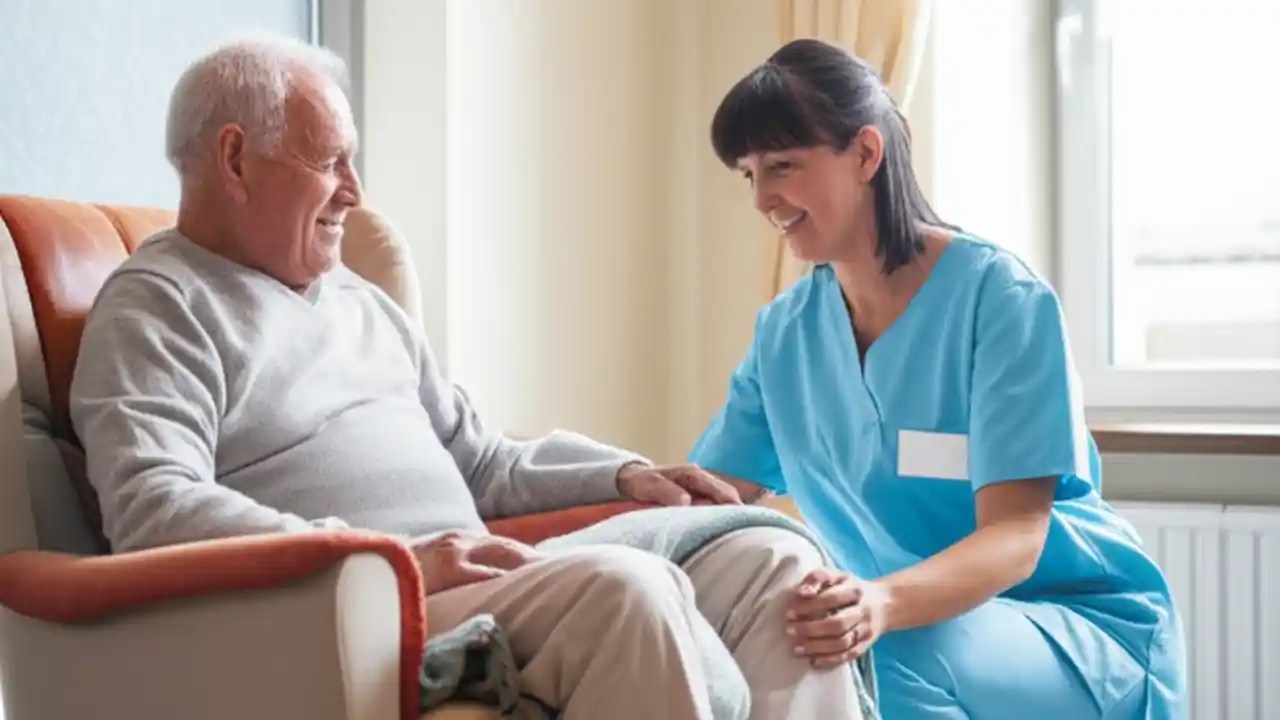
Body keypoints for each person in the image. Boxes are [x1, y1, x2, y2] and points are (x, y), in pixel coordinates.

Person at [69, 35, 864, 720]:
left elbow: (481, 459)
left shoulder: (359, 301)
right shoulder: (159, 304)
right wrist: (388, 559)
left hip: (477, 573)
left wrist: (627, 475)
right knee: (626, 590)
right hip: (356, 608)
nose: (353, 192)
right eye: (330, 161)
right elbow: (152, 505)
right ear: (236, 157)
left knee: (774, 564)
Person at [689, 38, 1186, 719]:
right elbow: (711, 501)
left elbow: (1016, 537)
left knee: (883, 655)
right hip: (901, 626)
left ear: (866, 154)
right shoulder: (785, 334)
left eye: (782, 166)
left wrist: (881, 602)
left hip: (1072, 623)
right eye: (749, 174)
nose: (763, 198)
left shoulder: (1000, 300)